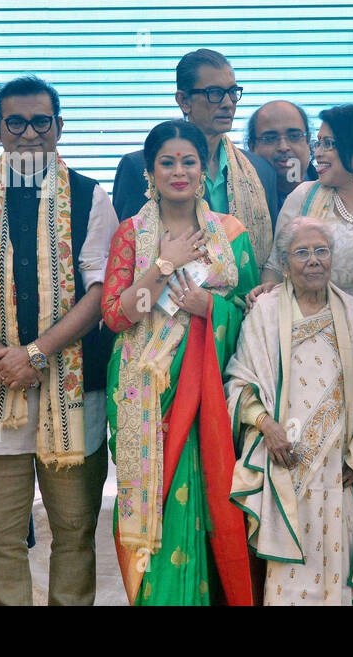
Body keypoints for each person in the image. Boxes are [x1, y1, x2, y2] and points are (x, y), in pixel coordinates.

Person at [0, 75, 118, 606]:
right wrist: (3, 358)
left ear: (59, 127)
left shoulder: (89, 194)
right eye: (15, 122)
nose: (29, 133)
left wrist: (36, 354)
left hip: (72, 389)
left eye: (41, 121)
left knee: (74, 532)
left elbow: (101, 289)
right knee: (2, 537)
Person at [102, 120, 257, 606]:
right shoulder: (131, 234)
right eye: (167, 162)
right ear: (150, 171)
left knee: (211, 494)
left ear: (204, 168)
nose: (179, 171)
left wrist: (210, 310)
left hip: (210, 390)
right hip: (145, 393)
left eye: (188, 161)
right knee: (155, 507)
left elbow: (254, 315)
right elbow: (115, 316)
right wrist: (161, 265)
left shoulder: (230, 232)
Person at [227, 217, 353, 605]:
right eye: (302, 253)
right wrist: (266, 425)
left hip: (340, 470)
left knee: (342, 572)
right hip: (286, 464)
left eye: (322, 251)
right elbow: (239, 382)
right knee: (290, 581)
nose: (314, 260)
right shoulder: (264, 314)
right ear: (284, 264)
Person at [112, 49, 277, 271]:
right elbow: (125, 259)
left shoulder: (260, 171)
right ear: (184, 100)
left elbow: (271, 263)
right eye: (215, 93)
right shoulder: (138, 167)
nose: (228, 103)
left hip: (242, 301)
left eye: (232, 92)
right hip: (157, 297)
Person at [253, 104, 353, 308]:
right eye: (318, 143)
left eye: (328, 144)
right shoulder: (302, 197)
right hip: (313, 331)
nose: (317, 153)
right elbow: (275, 267)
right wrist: (266, 295)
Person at [247, 99, 317, 203]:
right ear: (252, 147)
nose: (283, 147)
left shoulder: (337, 193)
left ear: (308, 141)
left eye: (294, 136)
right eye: (270, 138)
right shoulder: (238, 199)